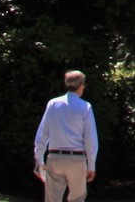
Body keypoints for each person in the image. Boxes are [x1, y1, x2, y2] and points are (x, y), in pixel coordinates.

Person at [32, 71, 99, 202]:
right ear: (80, 85)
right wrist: (91, 165)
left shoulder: (53, 104)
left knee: (52, 199)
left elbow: (43, 134)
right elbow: (90, 139)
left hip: (55, 157)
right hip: (76, 158)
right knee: (77, 199)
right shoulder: (85, 106)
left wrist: (39, 161)